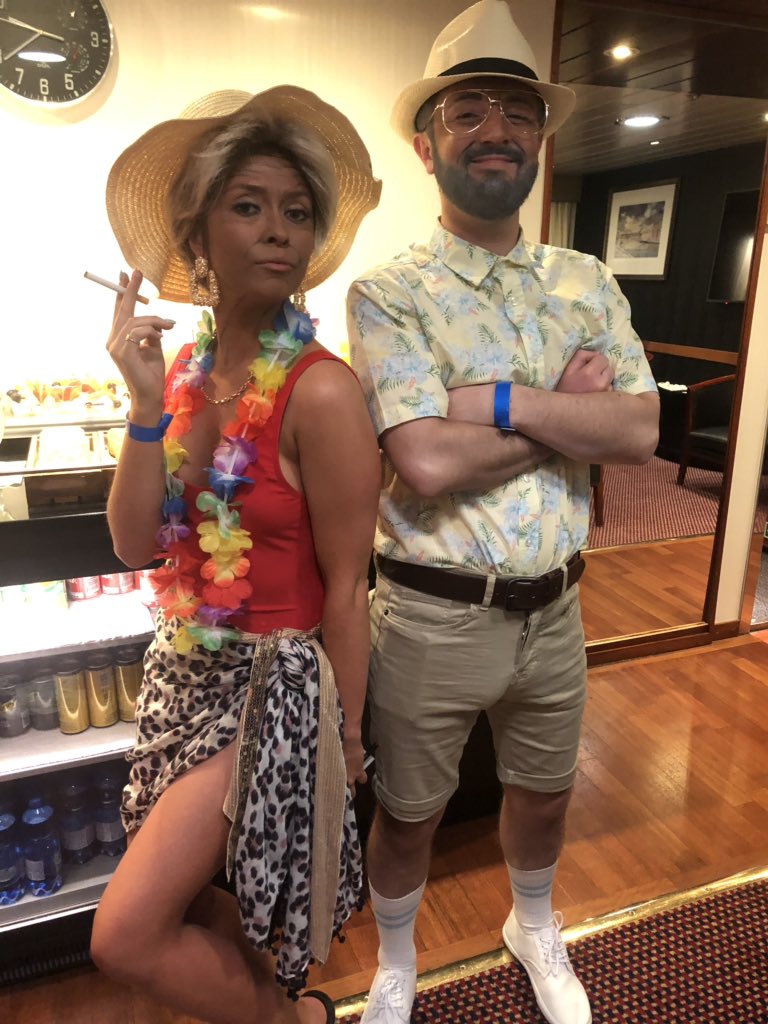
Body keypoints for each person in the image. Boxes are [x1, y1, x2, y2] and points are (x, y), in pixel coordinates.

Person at [347, 3, 659, 1023]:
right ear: (426, 142)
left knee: (547, 791)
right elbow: (425, 460)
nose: (497, 129)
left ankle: (532, 924)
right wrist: (568, 413)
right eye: (469, 109)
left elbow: (640, 432)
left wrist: (498, 402)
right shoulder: (389, 292)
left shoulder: (587, 280)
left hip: (557, 610)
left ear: (540, 136)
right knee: (410, 812)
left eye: (519, 111)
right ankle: (397, 962)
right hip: (430, 614)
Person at [90, 86, 382, 1024]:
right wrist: (143, 408)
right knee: (205, 909)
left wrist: (347, 743)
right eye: (249, 206)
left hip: (273, 690)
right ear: (198, 233)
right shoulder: (182, 374)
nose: (278, 230)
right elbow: (135, 543)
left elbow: (350, 587)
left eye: (297, 211)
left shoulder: (321, 391)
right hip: (182, 669)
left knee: (124, 935)